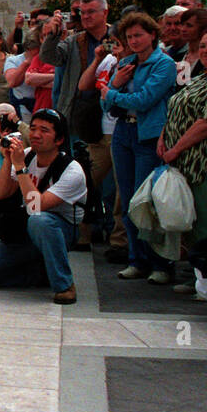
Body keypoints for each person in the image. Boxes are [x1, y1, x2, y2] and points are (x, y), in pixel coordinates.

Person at [0, 109, 87, 304]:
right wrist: (8, 161)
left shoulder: (72, 170)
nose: (36, 135)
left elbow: (36, 206)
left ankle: (64, 284)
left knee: (41, 221)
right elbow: (1, 194)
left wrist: (20, 168)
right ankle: (39, 273)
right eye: (33, 129)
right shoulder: (28, 156)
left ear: (59, 139)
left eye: (45, 130)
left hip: (60, 230)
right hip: (24, 229)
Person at [156, 24, 207, 299]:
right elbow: (178, 107)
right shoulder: (202, 76)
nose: (205, 50)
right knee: (194, 223)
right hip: (186, 163)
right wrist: (164, 137)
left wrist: (176, 148)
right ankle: (202, 278)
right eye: (203, 46)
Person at [101, 11, 177, 285]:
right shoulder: (127, 63)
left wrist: (113, 92)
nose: (133, 40)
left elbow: (146, 99)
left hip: (148, 134)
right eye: (129, 36)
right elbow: (105, 103)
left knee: (147, 200)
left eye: (138, 35)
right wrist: (114, 90)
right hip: (124, 132)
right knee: (129, 198)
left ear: (152, 35)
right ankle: (137, 259)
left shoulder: (163, 64)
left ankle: (160, 263)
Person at [77, 28, 129, 258]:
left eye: (120, 43)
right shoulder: (108, 60)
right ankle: (82, 230)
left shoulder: (138, 64)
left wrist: (116, 84)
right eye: (113, 42)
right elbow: (84, 85)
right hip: (101, 131)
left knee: (121, 190)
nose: (115, 48)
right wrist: (98, 58)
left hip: (124, 129)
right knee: (85, 181)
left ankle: (120, 240)